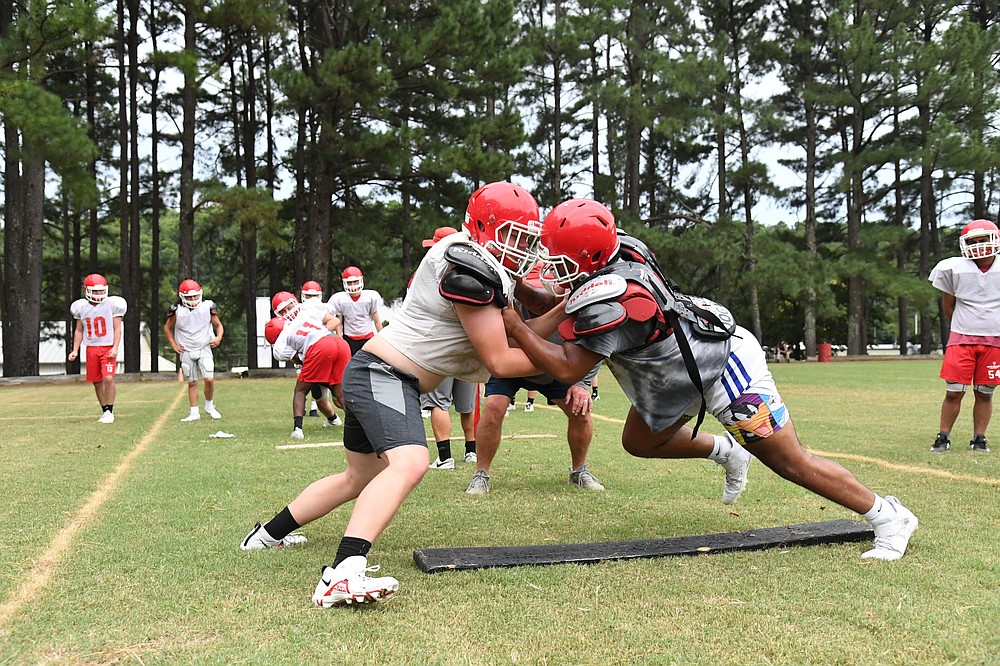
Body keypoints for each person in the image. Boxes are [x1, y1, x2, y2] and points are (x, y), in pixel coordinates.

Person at [501, 198, 918, 561]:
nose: (550, 268)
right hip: (673, 374)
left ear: (591, 260)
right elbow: (560, 302)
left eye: (561, 262)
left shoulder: (616, 302)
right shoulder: (618, 250)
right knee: (640, 442)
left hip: (719, 366)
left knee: (789, 461)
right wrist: (515, 287)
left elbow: (566, 367)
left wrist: (516, 327)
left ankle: (888, 516)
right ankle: (727, 451)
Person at [241, 181, 553, 607]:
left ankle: (264, 535)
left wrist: (565, 316)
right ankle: (343, 572)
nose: (520, 248)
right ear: (483, 227)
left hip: (377, 372)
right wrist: (567, 359)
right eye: (513, 236)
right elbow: (501, 360)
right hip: (385, 374)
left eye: (527, 239)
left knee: (358, 478)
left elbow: (524, 336)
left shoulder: (474, 258)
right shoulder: (469, 267)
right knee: (411, 460)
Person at [467, 265, 605, 495]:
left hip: (554, 367)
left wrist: (581, 384)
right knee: (493, 408)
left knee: (580, 412)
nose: (540, 293)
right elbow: (506, 341)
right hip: (513, 364)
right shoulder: (509, 298)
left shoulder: (577, 303)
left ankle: (579, 470)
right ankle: (481, 473)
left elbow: (597, 342)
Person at [927, 218, 1000, 453]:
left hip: (995, 341)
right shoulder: (953, 268)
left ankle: (979, 438)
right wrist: (966, 326)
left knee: (985, 393)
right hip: (962, 339)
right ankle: (943, 436)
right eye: (973, 240)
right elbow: (949, 307)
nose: (978, 245)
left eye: (983, 239)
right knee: (954, 392)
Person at [264, 291, 348, 439]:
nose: (287, 312)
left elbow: (299, 359)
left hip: (320, 348)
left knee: (300, 390)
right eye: (282, 311)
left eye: (288, 307)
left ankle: (298, 429)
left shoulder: (283, 337)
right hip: (340, 343)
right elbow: (333, 320)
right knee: (340, 393)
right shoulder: (309, 311)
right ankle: (363, 425)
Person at [68, 274, 127, 423]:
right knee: (97, 381)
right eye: (96, 291)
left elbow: (117, 328)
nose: (99, 294)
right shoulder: (81, 307)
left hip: (107, 346)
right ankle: (105, 410)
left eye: (101, 291)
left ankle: (110, 410)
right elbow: (79, 330)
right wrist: (75, 349)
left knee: (108, 377)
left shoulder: (112, 304)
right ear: (87, 291)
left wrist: (115, 347)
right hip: (92, 347)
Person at [164, 279, 225, 422]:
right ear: (182, 296)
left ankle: (209, 406)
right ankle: (194, 412)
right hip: (186, 349)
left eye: (195, 296)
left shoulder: (207, 307)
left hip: (204, 346)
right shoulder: (177, 311)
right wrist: (173, 344)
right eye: (189, 297)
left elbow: (219, 325)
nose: (192, 299)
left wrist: (218, 337)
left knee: (209, 379)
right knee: (191, 382)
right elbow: (167, 328)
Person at [299, 280, 342, 424]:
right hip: (316, 354)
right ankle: (333, 419)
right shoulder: (301, 311)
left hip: (327, 351)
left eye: (314, 296)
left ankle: (361, 420)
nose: (311, 300)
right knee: (321, 400)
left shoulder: (326, 309)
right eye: (308, 296)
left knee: (338, 398)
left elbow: (336, 323)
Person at [328, 266, 384, 356]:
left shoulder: (371, 297)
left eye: (355, 282)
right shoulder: (339, 299)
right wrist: (339, 338)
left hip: (368, 336)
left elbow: (377, 320)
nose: (353, 285)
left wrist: (382, 337)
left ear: (361, 281)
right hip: (349, 338)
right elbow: (339, 320)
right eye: (350, 282)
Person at [425, 378, 479, 469]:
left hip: (442, 364)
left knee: (438, 402)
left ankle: (444, 458)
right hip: (468, 364)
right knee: (468, 403)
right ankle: (472, 452)